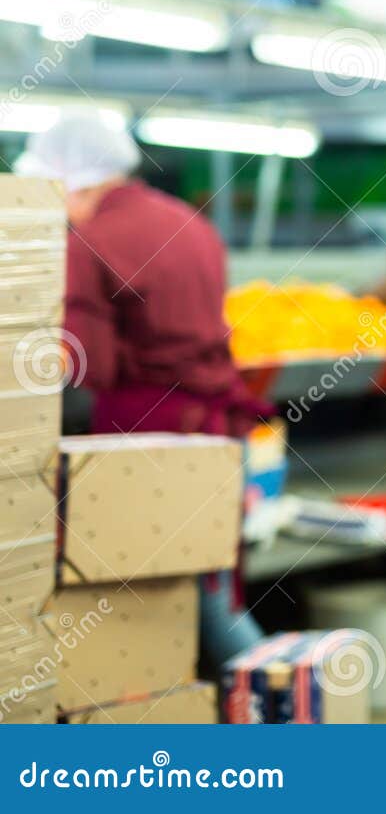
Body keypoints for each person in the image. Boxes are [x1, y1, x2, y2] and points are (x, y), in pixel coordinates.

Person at [15, 111, 270, 670]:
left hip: (149, 443)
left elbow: (90, 366)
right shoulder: (190, 222)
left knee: (180, 604)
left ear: (72, 180)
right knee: (207, 583)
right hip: (216, 434)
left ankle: (287, 708)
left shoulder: (91, 243)